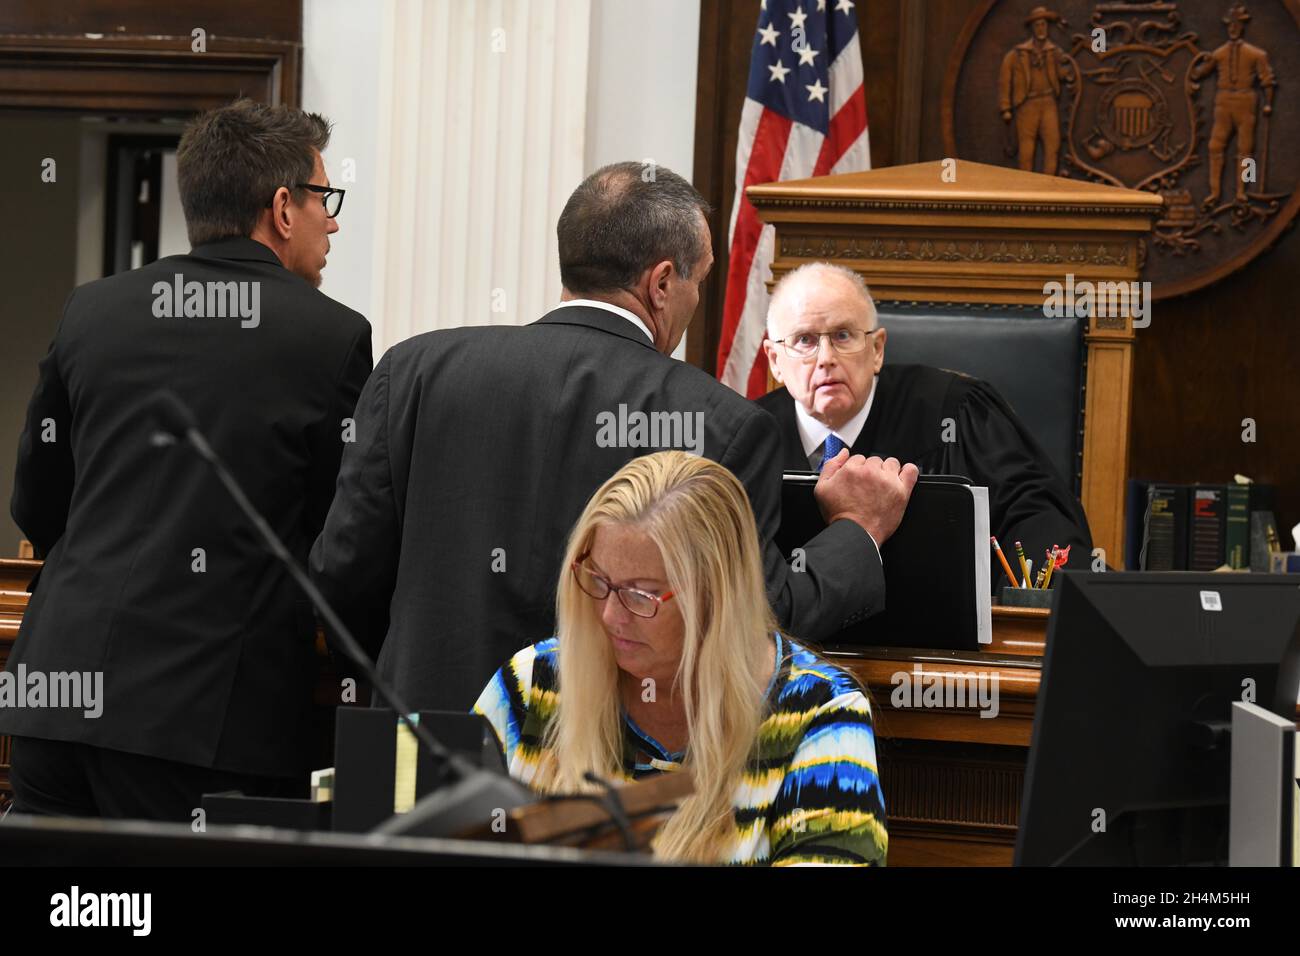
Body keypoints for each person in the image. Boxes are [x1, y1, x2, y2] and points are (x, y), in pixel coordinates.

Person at [310, 161, 917, 713]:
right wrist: (858, 530)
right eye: (698, 282)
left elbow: (343, 573)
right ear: (660, 284)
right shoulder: (721, 425)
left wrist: (397, 682)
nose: (695, 300)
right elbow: (759, 617)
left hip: (422, 749)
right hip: (610, 770)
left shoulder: (414, 371)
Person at [2, 99, 372, 821]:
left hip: (55, 693)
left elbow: (38, 501)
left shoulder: (94, 309)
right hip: (203, 719)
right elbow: (343, 539)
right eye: (324, 198)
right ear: (282, 208)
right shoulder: (329, 338)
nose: (332, 220)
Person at [473, 451, 887, 865]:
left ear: (716, 598)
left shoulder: (822, 713)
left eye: (641, 594)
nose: (609, 616)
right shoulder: (531, 681)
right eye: (598, 580)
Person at [757, 262, 1091, 586]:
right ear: (775, 361)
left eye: (843, 335)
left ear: (877, 349)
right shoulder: (749, 438)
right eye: (804, 340)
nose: (826, 357)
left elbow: (1034, 518)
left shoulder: (956, 414)